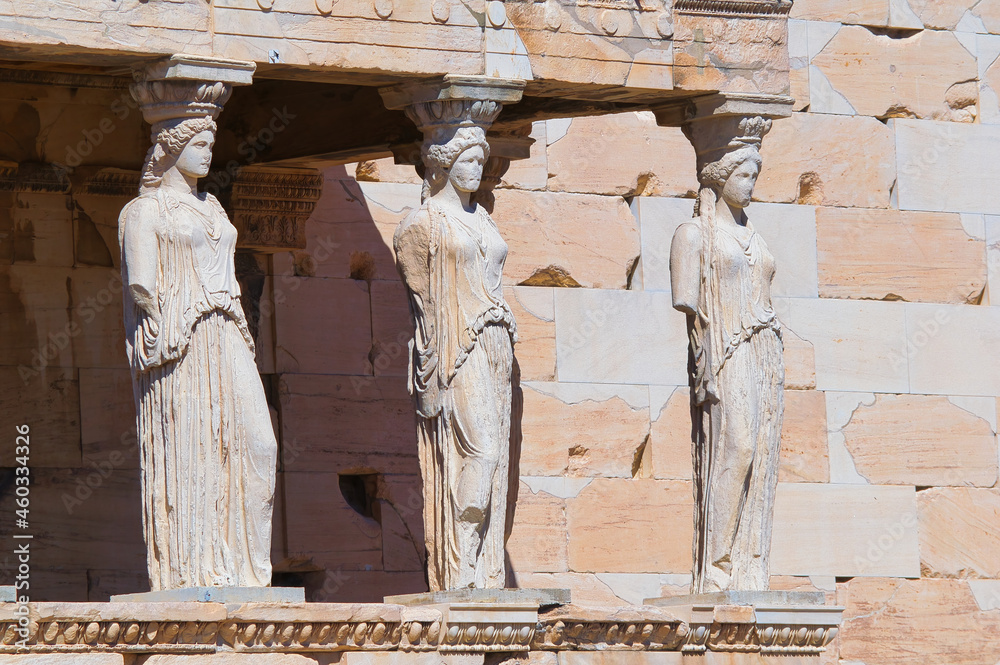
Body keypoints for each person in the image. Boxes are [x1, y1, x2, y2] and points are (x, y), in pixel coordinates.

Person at [119, 115, 276, 590]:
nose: (209, 152)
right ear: (171, 147)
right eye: (199, 143)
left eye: (212, 143)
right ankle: (196, 571)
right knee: (199, 447)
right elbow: (141, 286)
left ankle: (248, 571)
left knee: (258, 444)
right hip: (181, 340)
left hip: (228, 331)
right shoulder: (143, 212)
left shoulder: (216, 209)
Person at [394, 124, 517, 590]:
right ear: (442, 164)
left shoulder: (485, 220)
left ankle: (482, 570)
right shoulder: (420, 226)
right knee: (481, 452)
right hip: (454, 349)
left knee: (495, 455)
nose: (476, 170)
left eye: (481, 162)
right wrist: (427, 375)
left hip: (496, 345)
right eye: (467, 160)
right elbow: (422, 306)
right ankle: (460, 559)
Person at [669, 117, 783, 593]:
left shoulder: (754, 236)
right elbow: (689, 306)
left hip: (765, 350)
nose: (751, 184)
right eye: (743, 175)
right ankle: (714, 568)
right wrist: (703, 365)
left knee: (762, 454)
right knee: (736, 446)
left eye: (755, 175)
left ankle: (748, 565)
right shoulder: (692, 235)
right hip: (725, 352)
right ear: (719, 175)